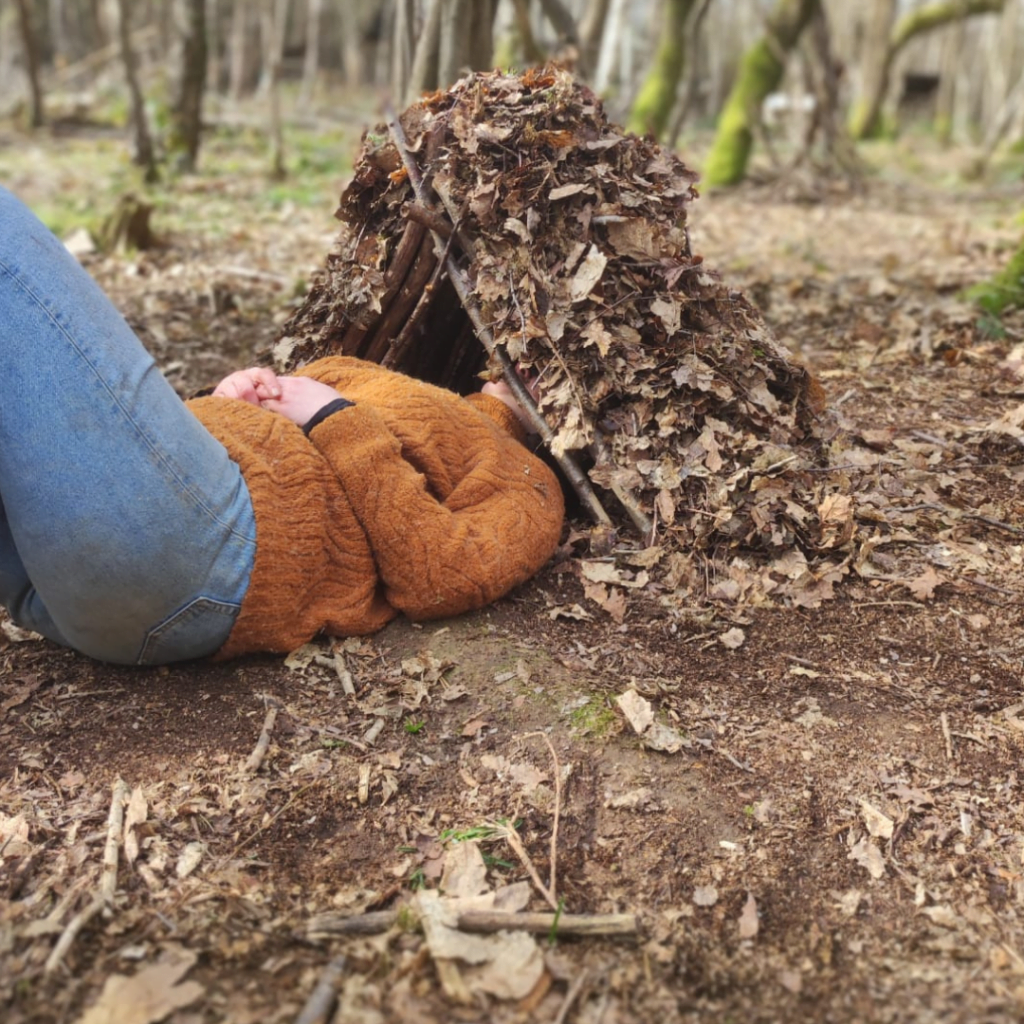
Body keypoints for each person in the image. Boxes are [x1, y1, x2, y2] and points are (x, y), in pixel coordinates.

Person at [0, 186, 564, 666]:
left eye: (553, 367)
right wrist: (230, 404)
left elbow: (444, 574)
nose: (530, 365)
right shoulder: (402, 384)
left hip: (210, 558)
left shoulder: (529, 479)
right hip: (60, 583)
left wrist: (332, 418)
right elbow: (282, 452)